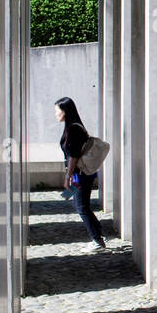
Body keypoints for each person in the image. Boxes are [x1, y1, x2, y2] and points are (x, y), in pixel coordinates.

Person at [54, 96, 106, 251]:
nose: (55, 114)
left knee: (81, 206)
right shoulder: (73, 127)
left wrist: (68, 177)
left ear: (65, 111)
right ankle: (98, 234)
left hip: (79, 174)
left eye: (57, 111)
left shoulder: (73, 129)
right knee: (80, 205)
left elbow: (74, 156)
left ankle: (97, 240)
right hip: (80, 174)